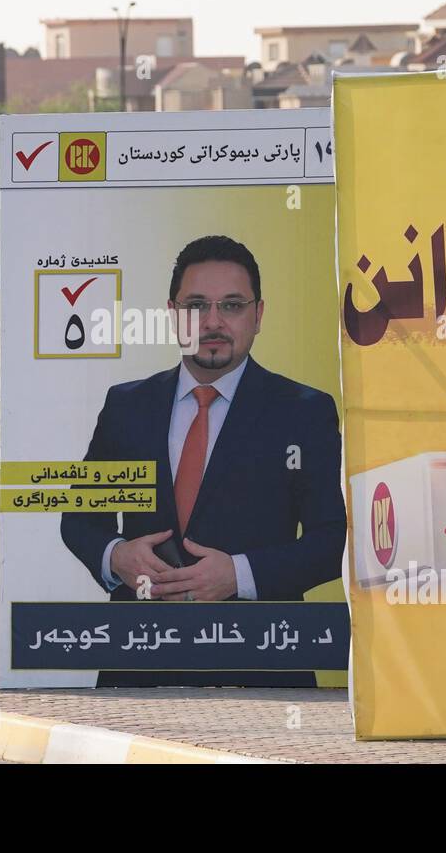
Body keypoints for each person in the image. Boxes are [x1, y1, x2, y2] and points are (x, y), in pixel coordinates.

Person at [60, 235, 346, 685]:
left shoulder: (304, 411)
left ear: (258, 315)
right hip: (137, 662)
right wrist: (117, 557)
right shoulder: (126, 405)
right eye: (196, 305)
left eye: (231, 305)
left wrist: (238, 575)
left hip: (263, 664)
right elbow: (80, 521)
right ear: (172, 315)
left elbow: (331, 540)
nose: (212, 321)